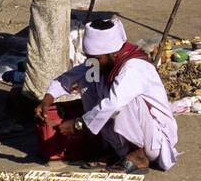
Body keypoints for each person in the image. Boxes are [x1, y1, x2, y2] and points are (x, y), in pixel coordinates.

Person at [38, 18, 179, 172]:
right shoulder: (100, 63)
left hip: (153, 140)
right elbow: (71, 76)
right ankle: (114, 149)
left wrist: (78, 124)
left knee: (119, 100)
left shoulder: (134, 67)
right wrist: (48, 98)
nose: (92, 62)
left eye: (97, 58)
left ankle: (139, 155)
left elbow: (114, 104)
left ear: (113, 53)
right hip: (123, 139)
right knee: (89, 80)